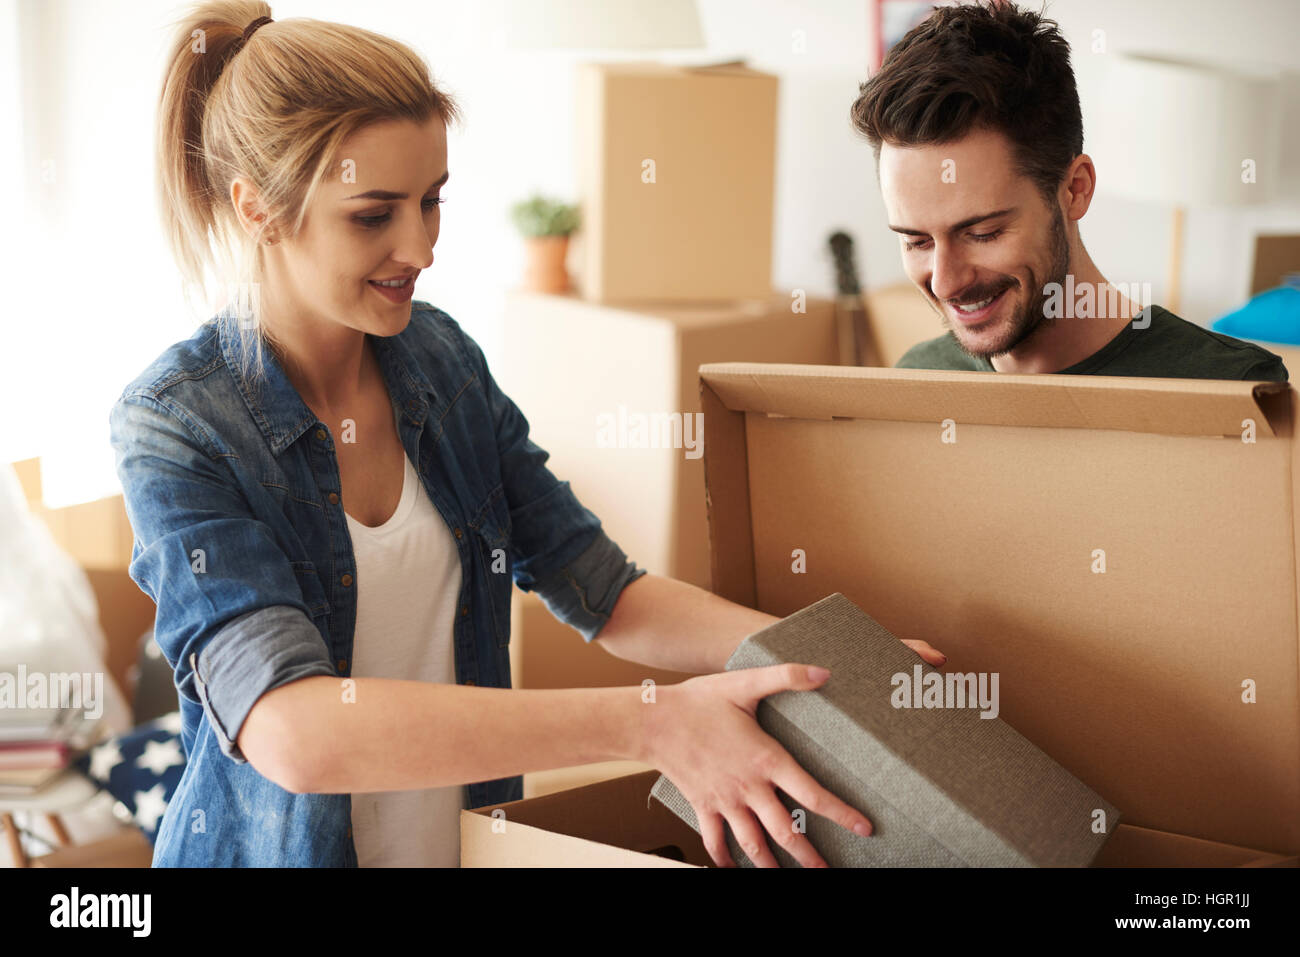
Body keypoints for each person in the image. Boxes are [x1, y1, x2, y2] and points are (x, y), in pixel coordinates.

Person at [112, 1, 945, 868]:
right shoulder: (177, 427)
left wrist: (816, 656)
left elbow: (604, 590)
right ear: (259, 210)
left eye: (432, 202)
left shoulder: (439, 361)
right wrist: (653, 723)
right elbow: (296, 731)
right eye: (374, 214)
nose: (421, 246)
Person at [850, 1, 1289, 382]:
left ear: (1075, 190)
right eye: (916, 241)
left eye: (983, 233)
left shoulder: (1228, 388)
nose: (946, 282)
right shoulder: (919, 379)